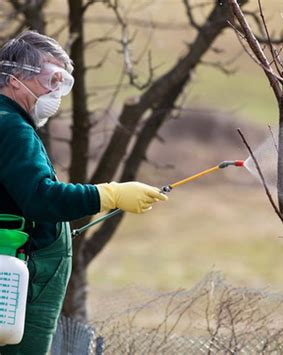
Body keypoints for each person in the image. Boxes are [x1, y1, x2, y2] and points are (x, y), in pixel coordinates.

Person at [0, 30, 168, 354]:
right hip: (17, 286)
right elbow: (40, 198)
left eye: (64, 84)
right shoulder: (13, 129)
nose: (57, 93)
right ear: (15, 77)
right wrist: (108, 195)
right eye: (52, 79)